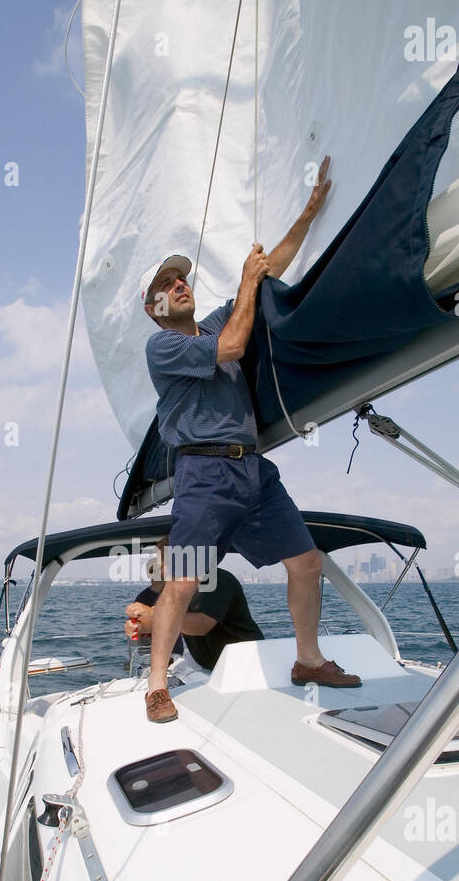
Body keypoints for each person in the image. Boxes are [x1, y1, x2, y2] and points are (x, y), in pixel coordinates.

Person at [139, 156, 361, 723]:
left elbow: (262, 278)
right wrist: (243, 283)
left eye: (181, 276)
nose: (179, 284)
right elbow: (236, 344)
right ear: (154, 308)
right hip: (204, 477)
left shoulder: (214, 321)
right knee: (184, 580)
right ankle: (158, 684)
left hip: (254, 474)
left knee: (306, 562)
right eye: (166, 284)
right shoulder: (163, 348)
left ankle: (308, 660)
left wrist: (310, 213)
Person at [125, 540, 262, 672]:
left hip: (247, 664)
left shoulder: (219, 580)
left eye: (162, 564)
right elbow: (162, 619)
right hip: (211, 668)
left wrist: (154, 614)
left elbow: (202, 625)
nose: (159, 571)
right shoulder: (175, 589)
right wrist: (140, 626)